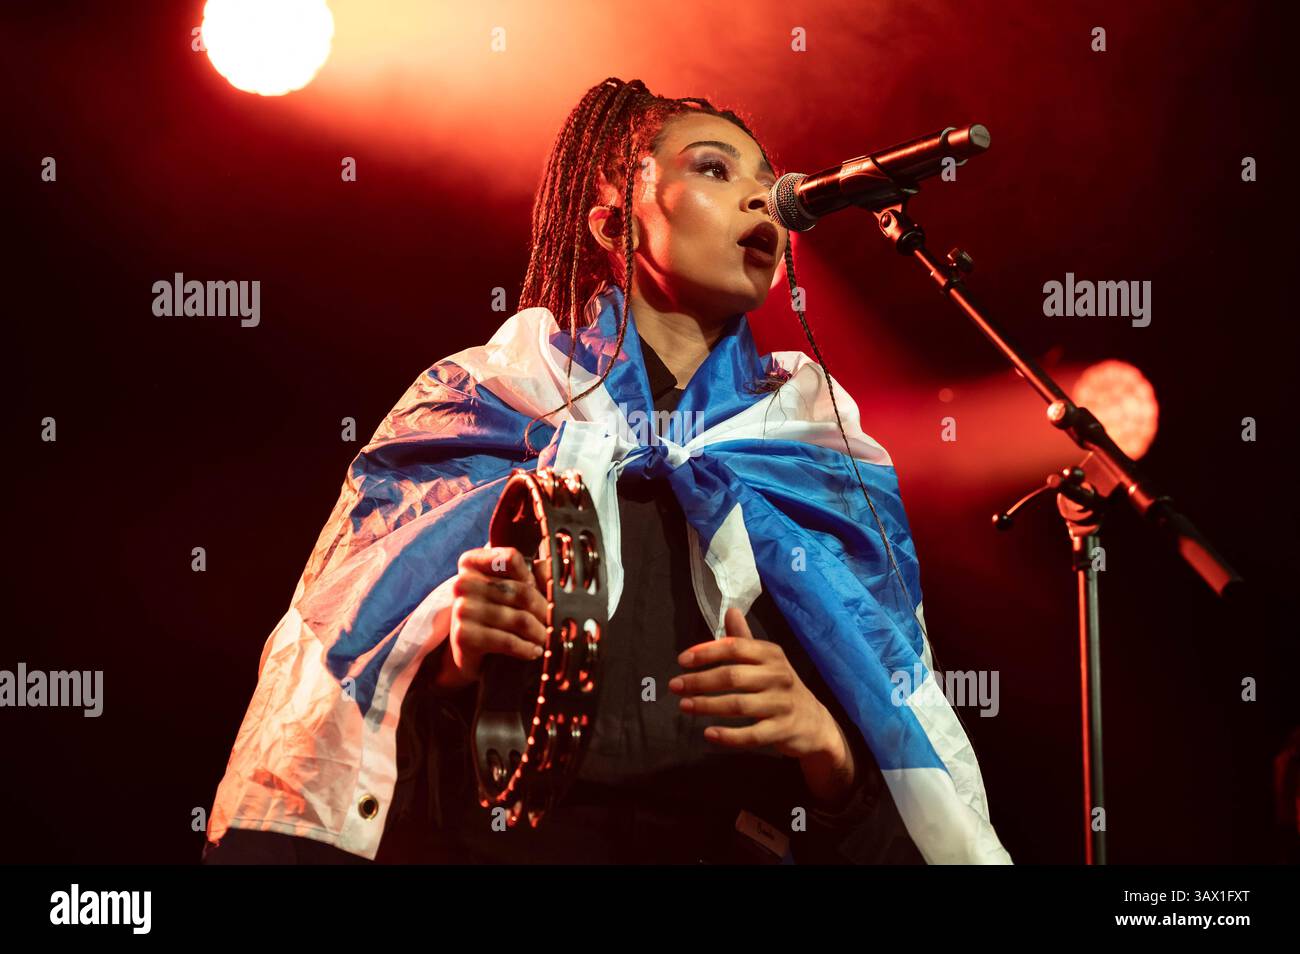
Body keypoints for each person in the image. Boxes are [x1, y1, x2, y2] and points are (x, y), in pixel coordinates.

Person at [202, 77, 1010, 865]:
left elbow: (904, 747)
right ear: (610, 222)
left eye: (769, 183)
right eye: (715, 170)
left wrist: (825, 746)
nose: (765, 199)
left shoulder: (813, 443)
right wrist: (452, 655)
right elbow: (351, 687)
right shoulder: (486, 401)